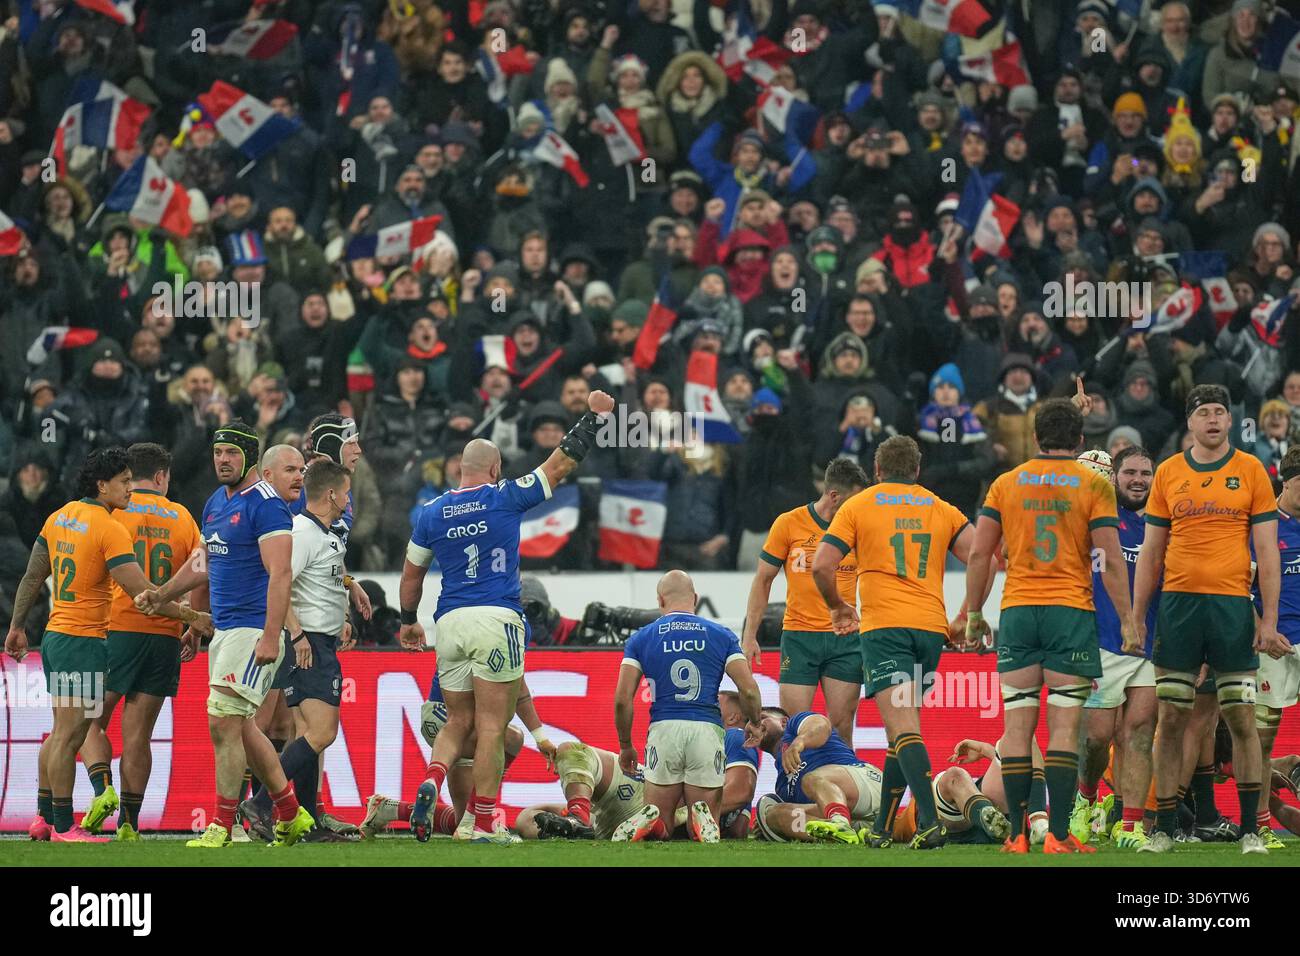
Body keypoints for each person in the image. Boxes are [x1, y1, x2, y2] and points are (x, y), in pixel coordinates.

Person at [398, 390, 617, 844]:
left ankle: (431, 780)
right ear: (495, 469)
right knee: (493, 728)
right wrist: (593, 418)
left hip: (450, 621)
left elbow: (411, 575)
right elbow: (560, 464)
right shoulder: (505, 496)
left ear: (459, 469)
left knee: (458, 722)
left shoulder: (432, 512)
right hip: (496, 617)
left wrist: (407, 620)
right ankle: (481, 823)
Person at [6, 447, 209, 843]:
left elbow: (32, 577)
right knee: (77, 733)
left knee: (66, 729)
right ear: (104, 485)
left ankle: (44, 819)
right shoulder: (113, 525)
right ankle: (74, 825)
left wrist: (17, 626)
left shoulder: (59, 516)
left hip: (62, 634)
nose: (130, 489)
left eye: (132, 480)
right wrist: (191, 618)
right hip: (91, 638)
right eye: (123, 482)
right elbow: (144, 593)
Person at [964, 398, 1136, 854]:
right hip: (1070, 613)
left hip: (1018, 612)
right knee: (1063, 730)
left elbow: (981, 554)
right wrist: (1128, 618)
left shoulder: (1006, 483)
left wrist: (975, 613)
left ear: (1035, 437)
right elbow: (1110, 558)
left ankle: (1020, 835)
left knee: (1017, 727)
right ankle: (1059, 834)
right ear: (1080, 441)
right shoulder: (1093, 484)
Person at [134, 428, 315, 848]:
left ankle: (222, 825)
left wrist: (273, 636)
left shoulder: (267, 505)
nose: (222, 460)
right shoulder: (217, 503)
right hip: (225, 629)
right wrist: (165, 596)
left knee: (222, 723)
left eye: (231, 452)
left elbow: (281, 574)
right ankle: (290, 813)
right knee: (242, 726)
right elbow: (203, 562)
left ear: (249, 458)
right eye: (217, 453)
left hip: (253, 630)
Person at [1132, 384, 1287, 856]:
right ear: (1191, 422)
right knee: (1173, 715)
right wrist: (1137, 615)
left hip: (1231, 608)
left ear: (1229, 420)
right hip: (1179, 608)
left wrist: (1269, 620)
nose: (1214, 419)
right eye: (1205, 413)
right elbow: (1151, 551)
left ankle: (1250, 831)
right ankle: (1161, 828)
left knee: (1240, 718)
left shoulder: (1251, 471)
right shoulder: (1169, 473)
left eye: (1221, 412)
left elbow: (1266, 549)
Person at [813, 435, 984, 850]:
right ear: (917, 471)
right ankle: (884, 827)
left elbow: (821, 565)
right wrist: (968, 614)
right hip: (929, 629)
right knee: (900, 729)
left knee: (904, 727)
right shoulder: (940, 507)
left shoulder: (858, 505)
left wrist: (837, 605)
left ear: (877, 471)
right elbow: (986, 556)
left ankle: (929, 822)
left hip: (885, 628)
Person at [76, 443, 205, 840]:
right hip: (165, 635)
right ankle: (129, 824)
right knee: (138, 735)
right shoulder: (183, 516)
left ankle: (103, 791)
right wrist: (195, 627)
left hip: (117, 627)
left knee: (85, 723)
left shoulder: (115, 511)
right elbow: (201, 570)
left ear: (133, 474)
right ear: (163, 476)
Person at [240, 461, 371, 844]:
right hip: (309, 642)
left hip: (318, 640)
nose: (348, 500)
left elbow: (324, 570)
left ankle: (307, 820)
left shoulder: (322, 532)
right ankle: (265, 801)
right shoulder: (302, 531)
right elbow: (278, 583)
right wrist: (297, 635)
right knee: (322, 733)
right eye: (345, 493)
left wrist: (351, 585)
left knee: (305, 733)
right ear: (331, 494)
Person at [611, 570, 763, 842]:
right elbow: (749, 689)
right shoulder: (721, 635)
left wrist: (625, 745)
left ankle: (655, 823)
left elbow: (622, 699)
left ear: (660, 600)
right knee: (702, 828)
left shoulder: (642, 638)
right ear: (695, 598)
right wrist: (753, 721)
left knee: (662, 824)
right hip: (705, 728)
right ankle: (703, 821)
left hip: (664, 728)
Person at [1069, 445, 1160, 850]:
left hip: (1149, 644)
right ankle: (1086, 797)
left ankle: (1130, 825)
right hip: (1101, 640)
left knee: (1139, 733)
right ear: (1113, 477)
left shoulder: (1162, 525)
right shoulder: (1095, 517)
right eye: (1130, 473)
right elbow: (1062, 490)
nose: (1138, 480)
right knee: (1095, 738)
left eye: (1145, 473)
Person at [741, 458, 868, 744]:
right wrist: (749, 636)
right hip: (800, 638)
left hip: (845, 638)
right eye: (854, 501)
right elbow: (763, 580)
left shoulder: (860, 529)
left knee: (841, 727)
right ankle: (796, 789)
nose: (859, 509)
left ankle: (842, 787)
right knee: (795, 727)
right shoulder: (789, 523)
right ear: (834, 496)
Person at [360, 670, 556, 840]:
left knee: (462, 823)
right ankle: (480, 821)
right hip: (462, 721)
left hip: (438, 715)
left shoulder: (452, 626)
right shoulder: (506, 629)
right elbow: (519, 691)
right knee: (511, 739)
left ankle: (388, 809)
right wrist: (540, 738)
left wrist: (409, 625)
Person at [1252, 445, 1300, 849]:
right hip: (1274, 645)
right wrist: (1261, 629)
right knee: (1261, 740)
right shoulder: (1264, 524)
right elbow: (1238, 584)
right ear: (1286, 482)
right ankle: (1260, 823)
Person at [746, 707, 883, 845]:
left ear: (784, 722)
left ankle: (839, 822)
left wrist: (800, 742)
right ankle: (840, 834)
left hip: (868, 784)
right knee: (773, 814)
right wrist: (767, 826)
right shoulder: (781, 785)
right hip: (850, 815)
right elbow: (801, 814)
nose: (751, 727)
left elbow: (821, 725)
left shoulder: (794, 726)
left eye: (761, 718)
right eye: (749, 729)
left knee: (812, 779)